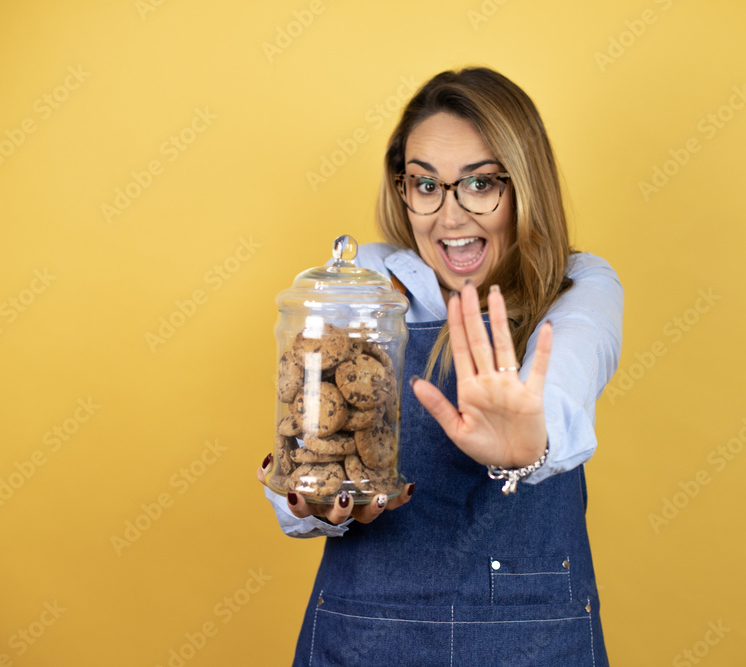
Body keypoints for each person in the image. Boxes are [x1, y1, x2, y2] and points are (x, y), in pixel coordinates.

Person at [258, 66, 623, 665]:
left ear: (525, 185)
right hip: (367, 632)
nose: (450, 218)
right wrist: (311, 500)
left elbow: (570, 368)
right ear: (402, 189)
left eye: (479, 185)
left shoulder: (578, 285)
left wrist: (529, 440)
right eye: (426, 185)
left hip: (532, 633)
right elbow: (309, 446)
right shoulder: (364, 284)